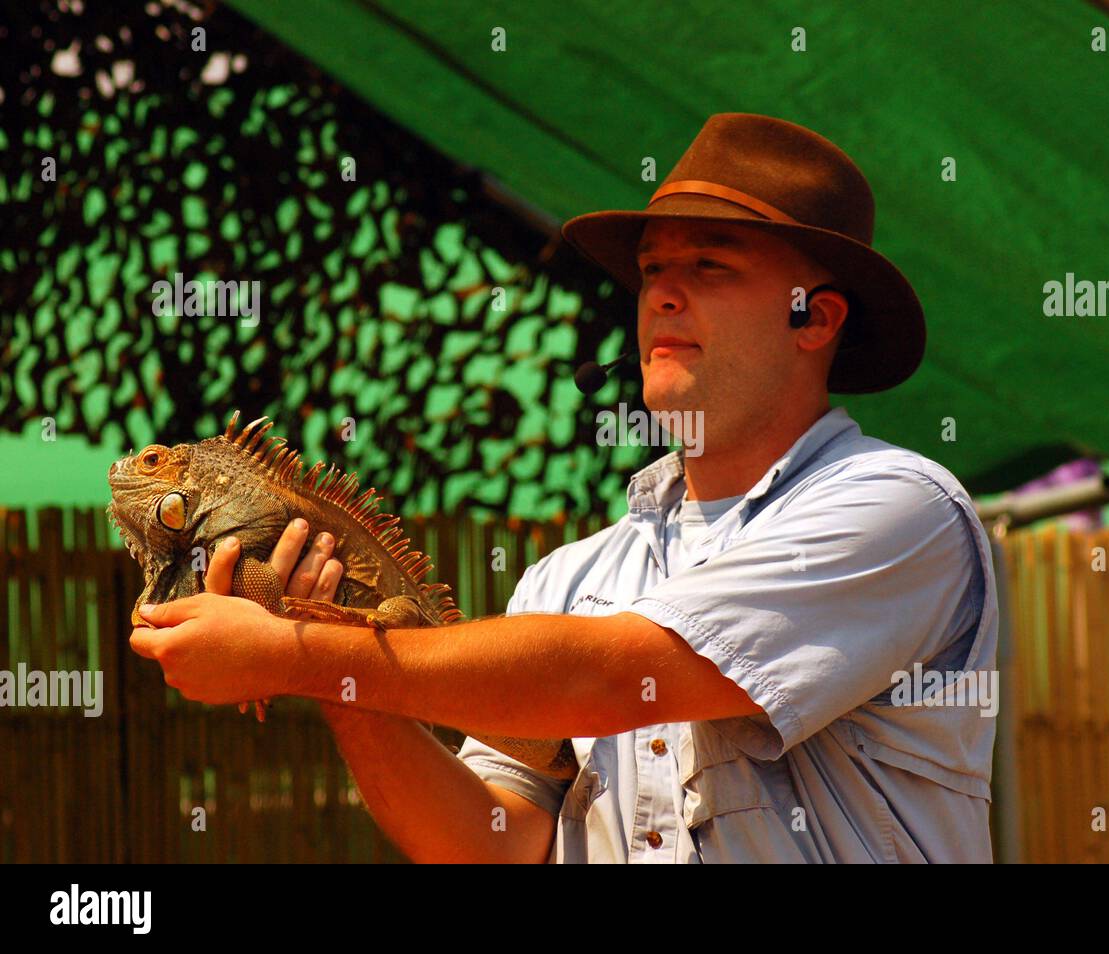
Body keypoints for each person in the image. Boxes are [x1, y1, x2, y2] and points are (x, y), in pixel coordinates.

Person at [130, 113, 1000, 863]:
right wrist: (333, 676)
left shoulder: (903, 508)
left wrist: (288, 654)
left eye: (711, 266)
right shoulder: (567, 580)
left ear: (817, 317)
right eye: (654, 269)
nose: (662, 293)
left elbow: (628, 676)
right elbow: (489, 846)